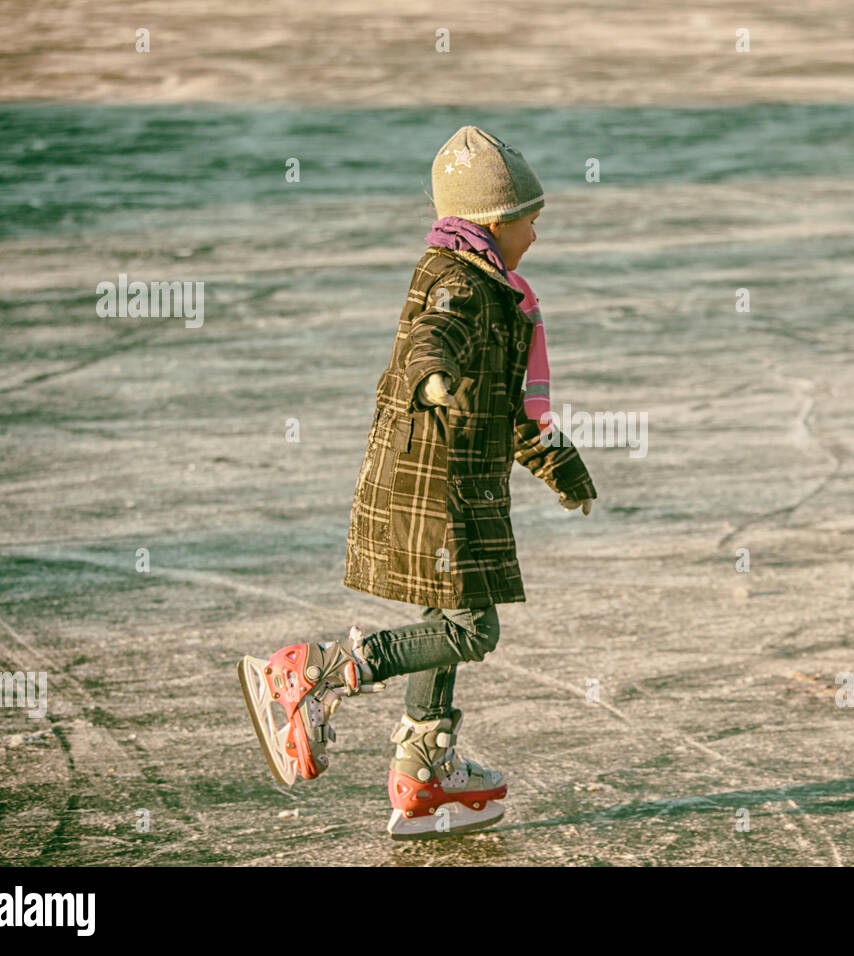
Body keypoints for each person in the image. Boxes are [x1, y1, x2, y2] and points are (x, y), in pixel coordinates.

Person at [238, 125, 597, 839]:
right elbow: (429, 338)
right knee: (470, 628)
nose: (537, 233)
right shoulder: (455, 281)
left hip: (457, 485)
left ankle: (423, 769)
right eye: (533, 218)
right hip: (432, 484)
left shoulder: (502, 295)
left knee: (444, 616)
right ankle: (316, 671)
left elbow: (513, 414)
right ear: (495, 221)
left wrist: (567, 473)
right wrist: (432, 380)